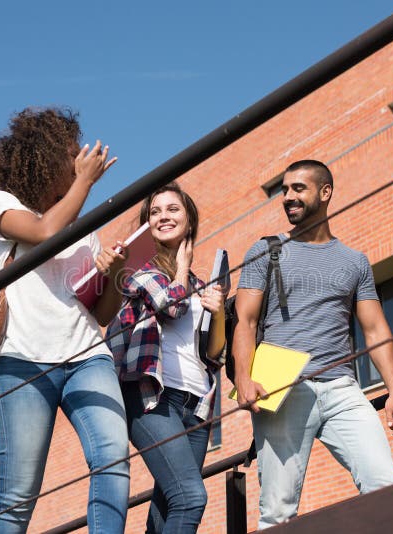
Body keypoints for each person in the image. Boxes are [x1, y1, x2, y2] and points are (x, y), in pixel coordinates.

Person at [232, 159, 393, 529]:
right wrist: (244, 379)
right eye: (284, 190)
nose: (288, 197)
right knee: (278, 512)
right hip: (283, 391)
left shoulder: (355, 262)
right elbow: (245, 322)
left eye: (298, 188)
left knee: (386, 486)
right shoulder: (265, 250)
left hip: (343, 388)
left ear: (325, 193)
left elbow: (375, 329)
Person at [0, 107, 130, 533]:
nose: (80, 160)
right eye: (71, 155)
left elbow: (100, 314)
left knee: (113, 460)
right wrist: (85, 183)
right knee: (18, 495)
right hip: (22, 361)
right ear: (44, 160)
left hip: (86, 356)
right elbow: (44, 232)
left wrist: (115, 272)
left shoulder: (84, 226)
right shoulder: (1, 204)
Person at [106, 182, 227, 533]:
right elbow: (171, 306)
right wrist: (182, 265)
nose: (164, 216)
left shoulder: (201, 284)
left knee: (165, 511)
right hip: (152, 398)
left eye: (173, 209)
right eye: (155, 212)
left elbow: (214, 353)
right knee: (191, 498)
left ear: (189, 220)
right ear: (147, 225)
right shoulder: (139, 272)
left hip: (197, 404)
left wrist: (217, 313)